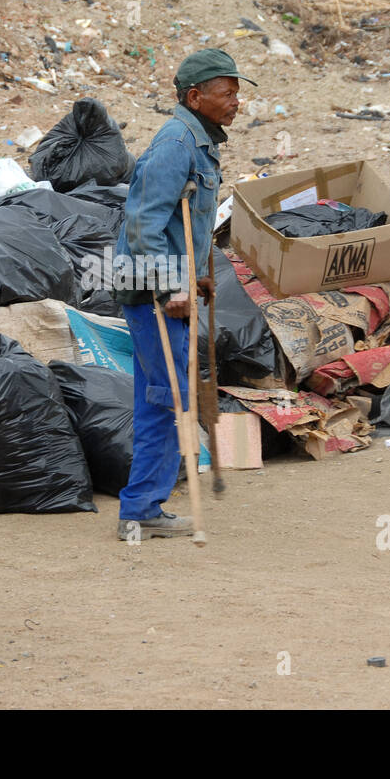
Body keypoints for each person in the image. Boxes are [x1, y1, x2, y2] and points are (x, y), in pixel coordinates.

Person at [111, 49, 256, 541]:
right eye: (228, 92)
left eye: (238, 92)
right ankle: (141, 509)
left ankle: (141, 506)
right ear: (196, 97)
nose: (237, 101)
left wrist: (193, 278)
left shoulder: (199, 143)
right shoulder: (176, 144)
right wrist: (171, 283)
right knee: (169, 394)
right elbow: (144, 223)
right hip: (148, 288)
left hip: (163, 281)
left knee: (161, 394)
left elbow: (182, 225)